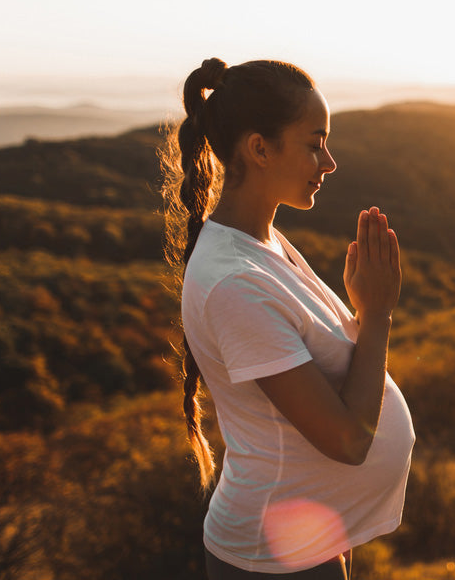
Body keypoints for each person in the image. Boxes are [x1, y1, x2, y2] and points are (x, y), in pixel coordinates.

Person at [161, 58, 415, 580]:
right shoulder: (235, 282)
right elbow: (346, 441)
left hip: (306, 538)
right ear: (259, 149)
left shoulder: (261, 243)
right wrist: (376, 313)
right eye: (314, 143)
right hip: (271, 560)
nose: (330, 162)